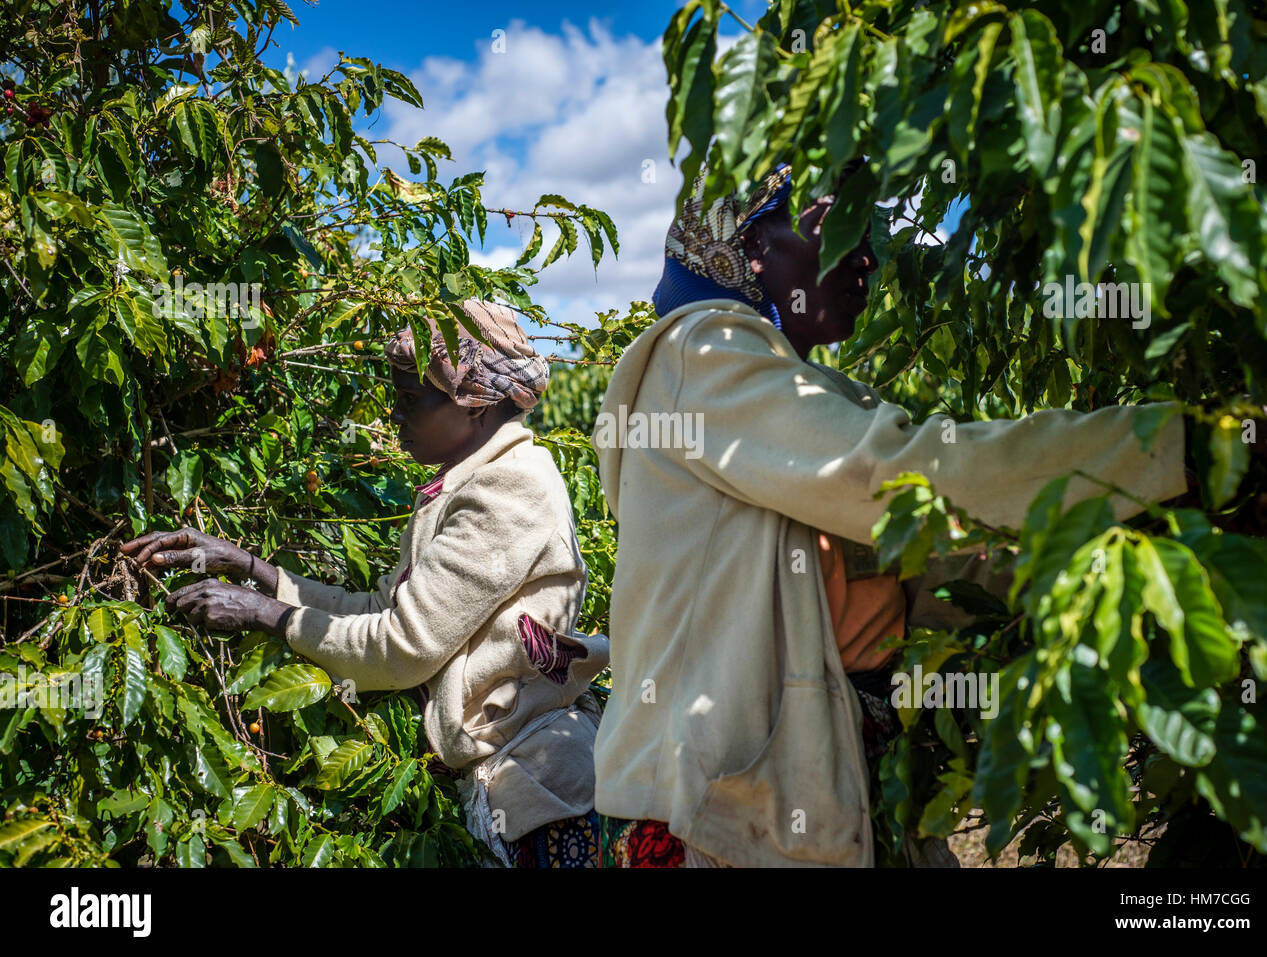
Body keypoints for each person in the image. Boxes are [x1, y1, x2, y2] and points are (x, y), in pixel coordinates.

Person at [591, 165, 1192, 867]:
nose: (867, 256)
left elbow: (938, 548)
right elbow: (899, 480)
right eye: (832, 225)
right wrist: (1170, 449)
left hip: (827, 792)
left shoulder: (811, 394)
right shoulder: (704, 353)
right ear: (751, 247)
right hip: (716, 820)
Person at [121, 300, 609, 868]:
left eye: (409, 401)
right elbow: (384, 608)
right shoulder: (467, 482)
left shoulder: (508, 490)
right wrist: (252, 569)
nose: (394, 416)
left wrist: (263, 614)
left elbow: (404, 648)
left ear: (474, 404)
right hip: (506, 776)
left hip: (540, 795)